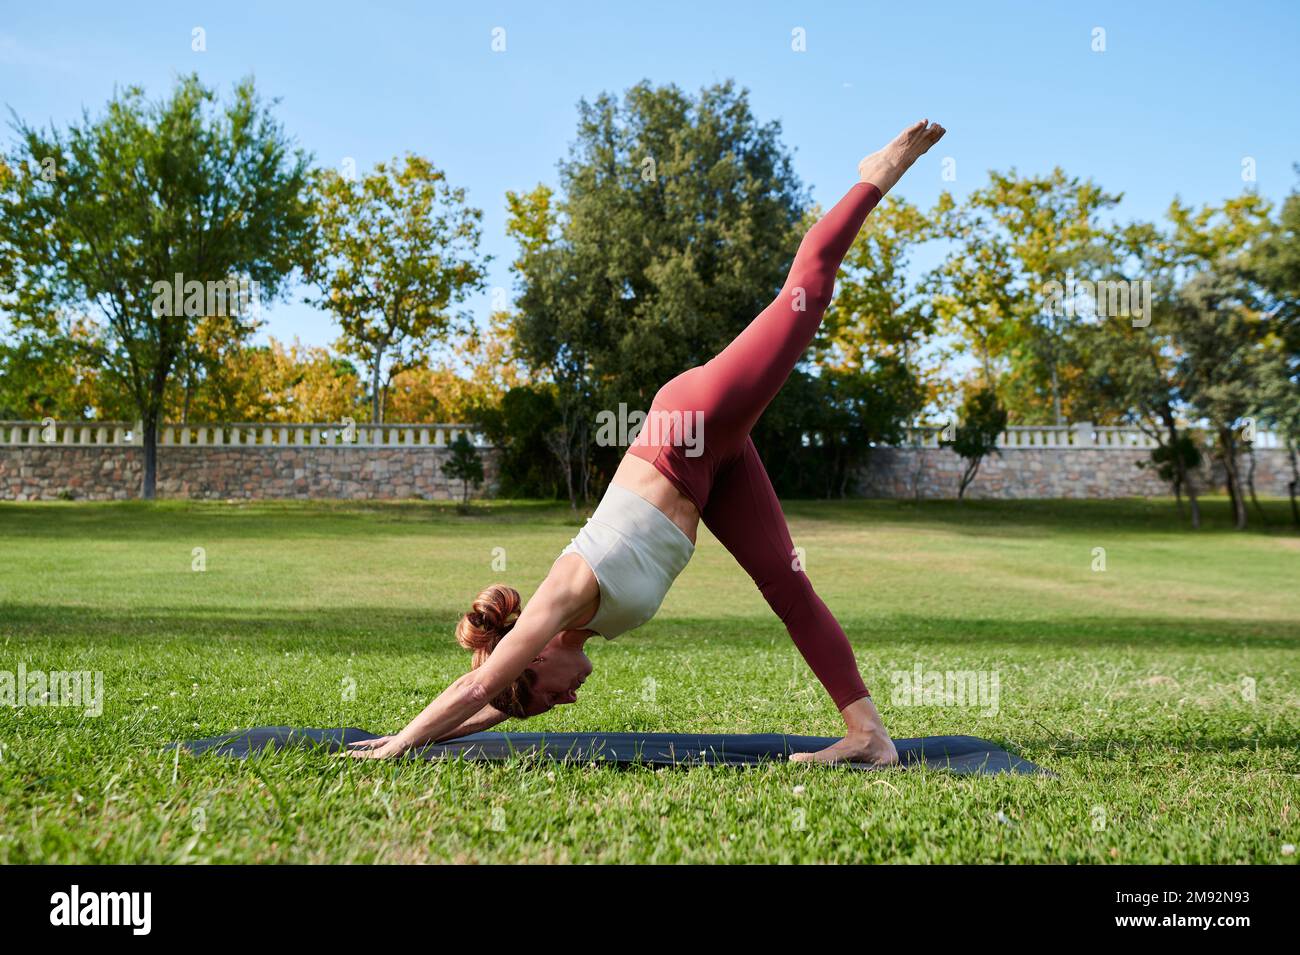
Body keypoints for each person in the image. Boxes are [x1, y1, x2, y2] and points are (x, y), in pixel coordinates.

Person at [348, 120, 946, 764]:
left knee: (803, 296)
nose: (565, 704)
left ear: (534, 654)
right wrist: (421, 738)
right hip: (708, 471)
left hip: (687, 428)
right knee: (787, 586)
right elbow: (491, 700)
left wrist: (397, 746)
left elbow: (479, 684)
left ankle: (873, 177)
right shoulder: (575, 629)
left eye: (547, 699)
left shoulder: (564, 593)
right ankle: (868, 734)